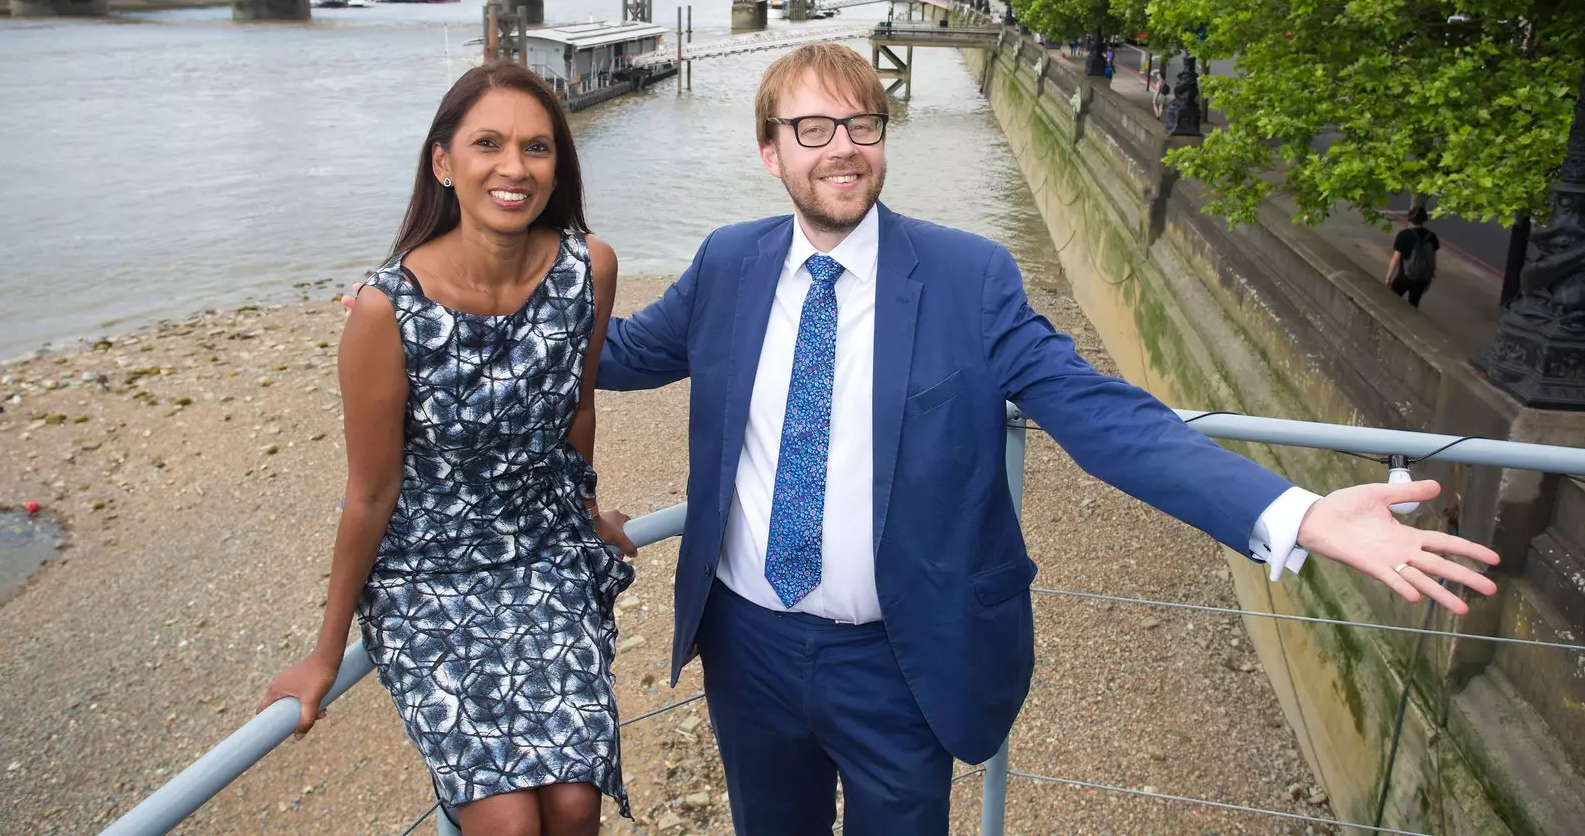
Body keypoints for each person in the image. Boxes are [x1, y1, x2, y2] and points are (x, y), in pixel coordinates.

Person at [594, 43, 1498, 836]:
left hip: (898, 658)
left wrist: (1294, 512)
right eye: (813, 128)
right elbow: (616, 352)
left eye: (862, 123)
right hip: (746, 645)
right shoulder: (727, 263)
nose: (843, 147)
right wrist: (479, 279)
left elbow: (1101, 415)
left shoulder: (967, 275)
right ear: (770, 151)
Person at [265, 61, 638, 836]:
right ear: (444, 162)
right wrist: (325, 652)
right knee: (507, 821)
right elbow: (368, 492)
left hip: (542, 553)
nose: (515, 168)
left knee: (574, 803)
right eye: (489, 144)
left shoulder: (588, 269)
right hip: (427, 575)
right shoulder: (384, 311)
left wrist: (590, 507)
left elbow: (578, 407)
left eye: (537, 148)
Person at [1387, 205, 1440, 308]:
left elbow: (1396, 258)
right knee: (1413, 305)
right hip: (1421, 278)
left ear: (1410, 219)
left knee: (1391, 301)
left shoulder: (1404, 234)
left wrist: (1388, 277)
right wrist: (1428, 279)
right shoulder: (1432, 237)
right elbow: (1432, 261)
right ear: (1424, 219)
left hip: (1405, 275)